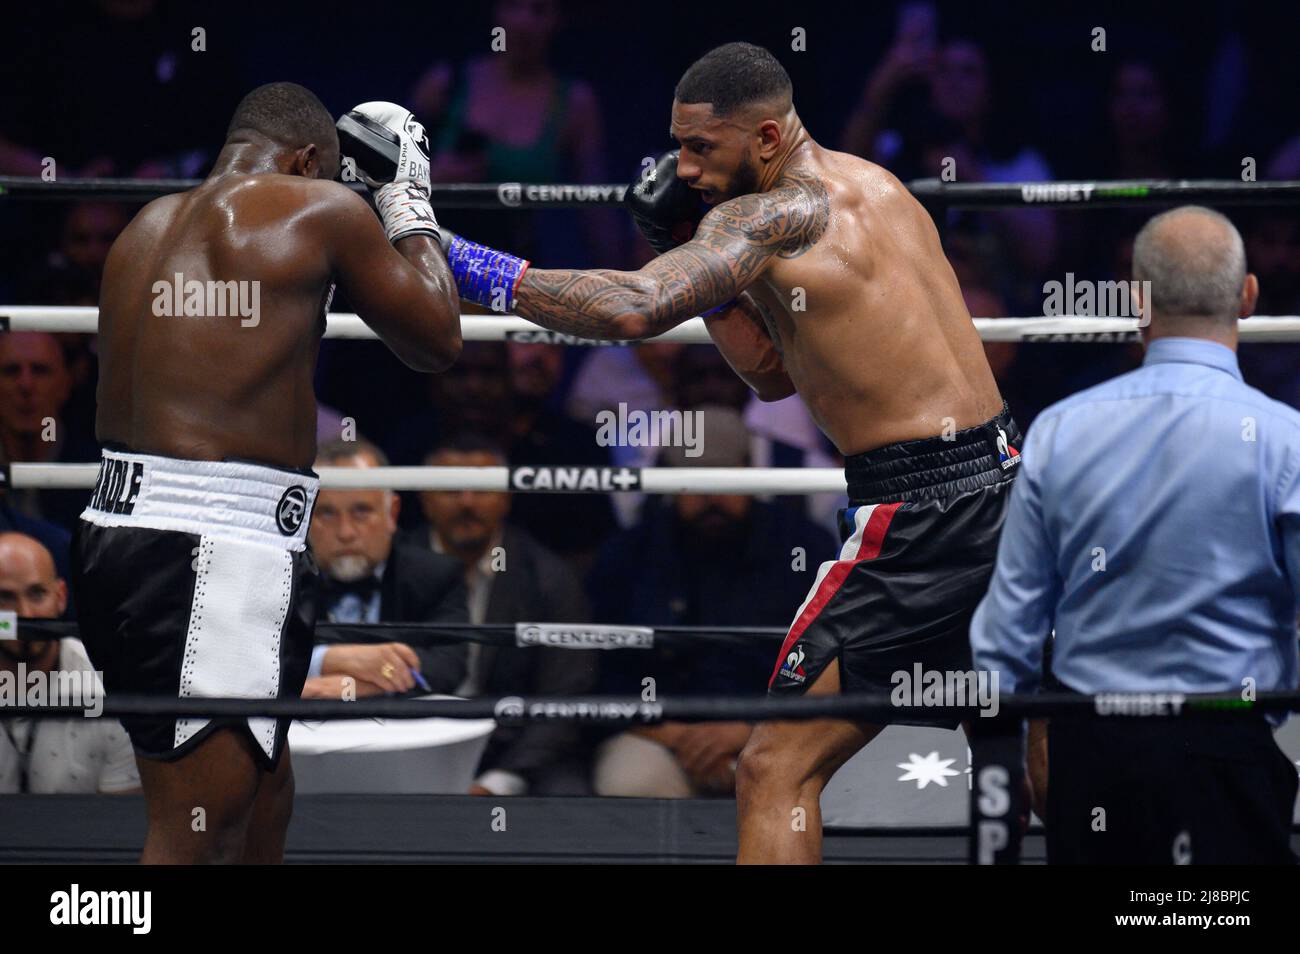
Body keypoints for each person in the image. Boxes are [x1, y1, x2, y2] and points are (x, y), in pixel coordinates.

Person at [433, 42, 1018, 862]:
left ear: (769, 138)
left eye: (702, 148)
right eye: (678, 145)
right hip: (1002, 485)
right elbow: (776, 375)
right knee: (1037, 754)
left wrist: (450, 256)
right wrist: (703, 262)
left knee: (774, 768)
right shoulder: (878, 187)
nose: (686, 167)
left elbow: (635, 308)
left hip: (917, 516)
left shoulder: (769, 215)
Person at [71, 83, 462, 864]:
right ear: (309, 160)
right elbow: (436, 335)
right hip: (213, 550)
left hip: (120, 534)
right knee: (196, 829)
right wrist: (406, 199)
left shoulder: (143, 229)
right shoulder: (320, 209)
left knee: (262, 801)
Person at [972, 206, 1300, 865]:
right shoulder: (1285, 440)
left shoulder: (1062, 429)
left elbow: (1007, 636)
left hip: (1094, 754)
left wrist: (1006, 769)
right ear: (1248, 295)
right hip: (1226, 753)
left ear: (1133, 299)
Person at [589, 407, 836, 798]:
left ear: (747, 469)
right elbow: (601, 671)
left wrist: (748, 728)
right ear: (670, 482)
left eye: (723, 478)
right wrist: (675, 735)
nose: (711, 498)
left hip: (778, 725)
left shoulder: (803, 547)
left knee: (789, 781)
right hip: (660, 734)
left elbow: (826, 660)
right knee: (632, 783)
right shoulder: (628, 554)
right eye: (695, 482)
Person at [419, 436, 597, 796]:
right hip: (413, 743)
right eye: (452, 488)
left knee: (571, 798)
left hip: (516, 748)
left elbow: (565, 694)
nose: (467, 502)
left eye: (482, 488)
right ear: (424, 498)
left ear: (506, 497)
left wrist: (498, 781)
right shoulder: (396, 566)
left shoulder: (548, 576)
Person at [304, 439, 467, 700]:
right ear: (305, 518)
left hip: (403, 736)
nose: (345, 532)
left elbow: (448, 664)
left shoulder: (434, 575)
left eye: (361, 511)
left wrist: (363, 686)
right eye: (326, 513)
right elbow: (256, 657)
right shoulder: (282, 579)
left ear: (392, 513)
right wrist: (328, 660)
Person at [0, 532, 139, 795]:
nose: (25, 614)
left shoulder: (109, 686)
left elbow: (120, 826)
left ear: (60, 597)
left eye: (37, 594)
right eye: (4, 598)